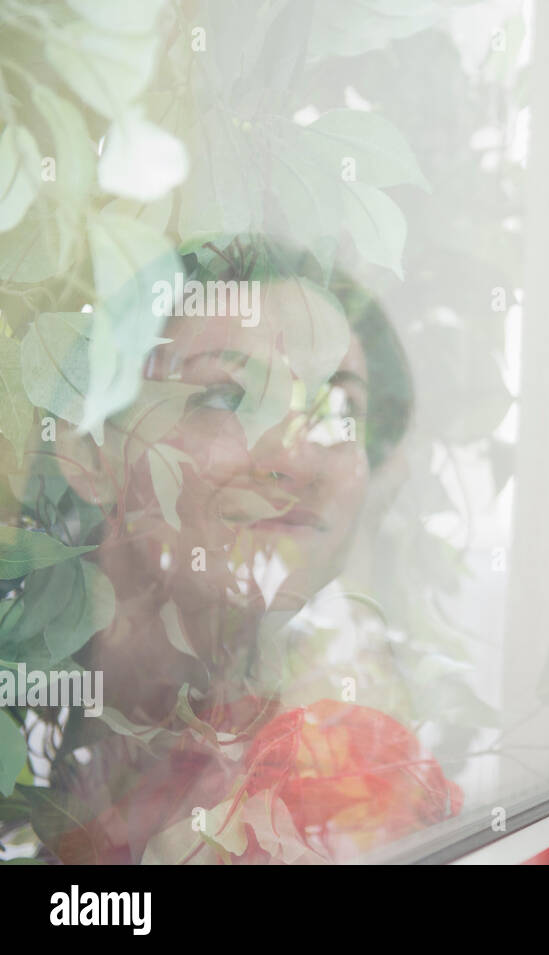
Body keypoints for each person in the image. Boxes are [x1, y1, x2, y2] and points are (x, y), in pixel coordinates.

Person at [2, 234, 463, 863]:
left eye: (338, 407)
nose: (296, 455)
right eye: (227, 397)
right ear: (88, 451)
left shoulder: (370, 721)